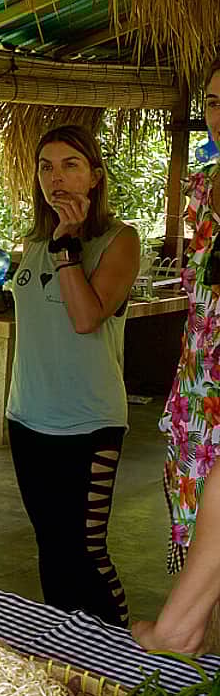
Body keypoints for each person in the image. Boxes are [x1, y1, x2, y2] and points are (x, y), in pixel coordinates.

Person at [7, 124, 139, 626]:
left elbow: (86, 318)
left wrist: (68, 247)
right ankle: (66, 647)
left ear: (95, 177)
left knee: (86, 550)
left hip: (89, 422)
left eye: (70, 165)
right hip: (27, 417)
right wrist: (54, 240)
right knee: (51, 546)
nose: (56, 178)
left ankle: (123, 652)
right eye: (46, 167)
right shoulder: (33, 241)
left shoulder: (118, 240)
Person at [134, 55, 220, 653]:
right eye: (213, 102)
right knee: (197, 497)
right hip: (203, 366)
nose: (219, 115)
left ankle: (181, 632)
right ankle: (194, 635)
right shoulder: (206, 185)